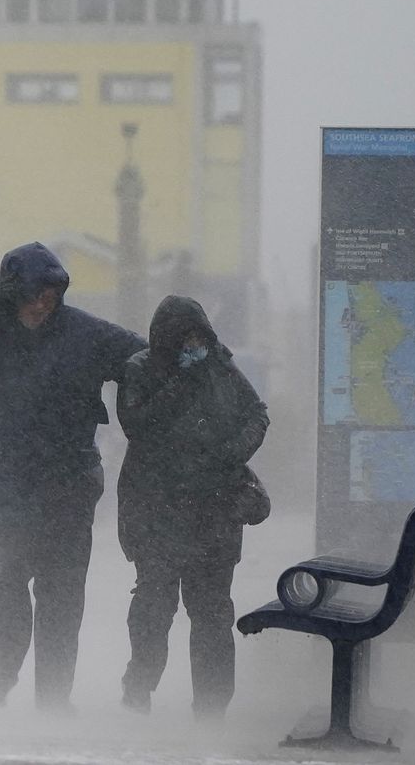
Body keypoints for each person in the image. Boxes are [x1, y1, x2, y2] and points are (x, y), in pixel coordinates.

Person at [0, 241, 146, 712]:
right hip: (7, 483)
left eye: (52, 294)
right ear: (11, 294)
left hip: (70, 484)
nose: (43, 303)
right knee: (10, 576)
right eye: (33, 294)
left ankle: (53, 695)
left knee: (62, 591)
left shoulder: (84, 334)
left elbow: (144, 358)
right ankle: (3, 668)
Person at [115, 295, 269, 719]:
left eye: (198, 337)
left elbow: (256, 413)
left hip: (214, 509)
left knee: (212, 612)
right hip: (156, 509)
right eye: (182, 338)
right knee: (154, 606)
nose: (192, 346)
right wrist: (179, 384)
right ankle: (139, 687)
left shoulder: (221, 366)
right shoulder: (141, 369)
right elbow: (137, 426)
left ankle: (211, 710)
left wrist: (230, 455)